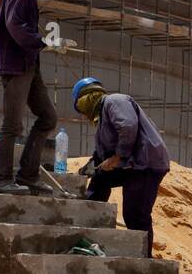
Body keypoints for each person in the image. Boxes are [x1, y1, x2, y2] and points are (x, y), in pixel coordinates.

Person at [0, 0, 65, 196]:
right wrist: (41, 42)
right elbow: (14, 25)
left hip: (28, 63)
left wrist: (45, 43)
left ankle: (29, 175)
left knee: (48, 117)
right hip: (15, 64)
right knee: (12, 124)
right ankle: (0, 179)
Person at [70, 78, 170, 256]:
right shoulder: (102, 123)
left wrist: (118, 156)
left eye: (81, 109)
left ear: (86, 99)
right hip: (130, 166)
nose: (83, 115)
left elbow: (128, 126)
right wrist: (85, 172)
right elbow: (101, 156)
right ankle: (92, 219)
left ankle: (144, 261)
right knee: (100, 178)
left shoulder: (114, 101)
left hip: (145, 164)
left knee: (135, 214)